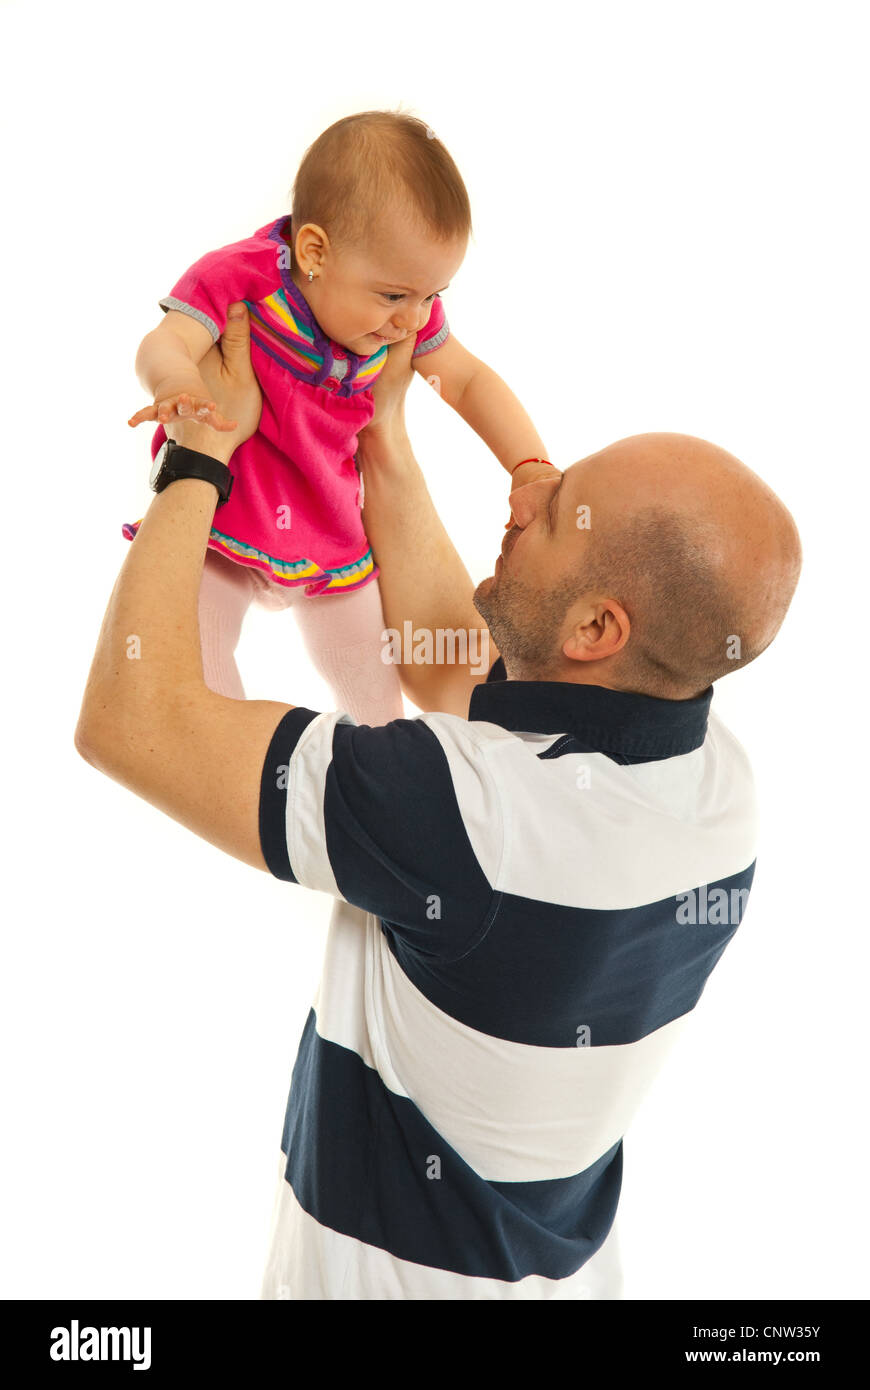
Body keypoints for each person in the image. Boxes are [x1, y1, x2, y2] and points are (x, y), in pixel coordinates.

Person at [75, 302, 802, 1300]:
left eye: (558, 508)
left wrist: (200, 454)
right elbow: (448, 651)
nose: (524, 492)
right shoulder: (717, 786)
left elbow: (130, 717)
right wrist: (381, 429)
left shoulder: (460, 817)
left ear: (598, 625)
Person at [123, 110, 551, 725]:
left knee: (370, 685)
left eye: (434, 295)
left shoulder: (404, 312)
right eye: (394, 295)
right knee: (203, 661)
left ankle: (381, 771)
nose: (413, 319)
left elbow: (468, 379)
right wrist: (180, 383)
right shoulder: (239, 279)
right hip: (227, 516)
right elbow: (162, 343)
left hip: (331, 531)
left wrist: (529, 465)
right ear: (315, 251)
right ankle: (236, 771)